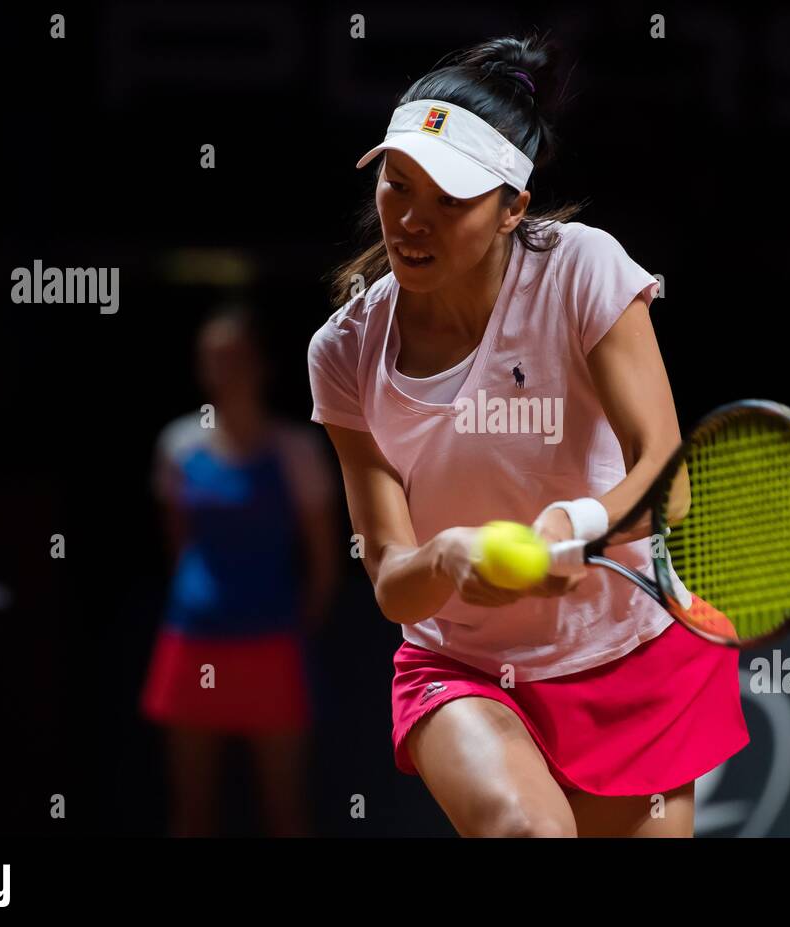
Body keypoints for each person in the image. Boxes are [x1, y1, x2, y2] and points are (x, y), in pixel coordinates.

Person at [310, 34, 748, 837]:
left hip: (628, 657)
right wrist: (444, 558)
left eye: (450, 201)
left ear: (513, 205)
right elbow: (390, 576)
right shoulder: (344, 352)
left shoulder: (581, 269)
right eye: (397, 185)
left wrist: (571, 526)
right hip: (464, 667)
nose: (412, 219)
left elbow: (668, 479)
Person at [143, 305, 339, 836]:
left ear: (260, 364)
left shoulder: (297, 449)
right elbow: (179, 543)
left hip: (271, 643)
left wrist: (294, 623)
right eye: (213, 359)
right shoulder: (177, 446)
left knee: (284, 809)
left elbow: (323, 563)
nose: (224, 369)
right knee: (191, 808)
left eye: (234, 357)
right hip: (192, 641)